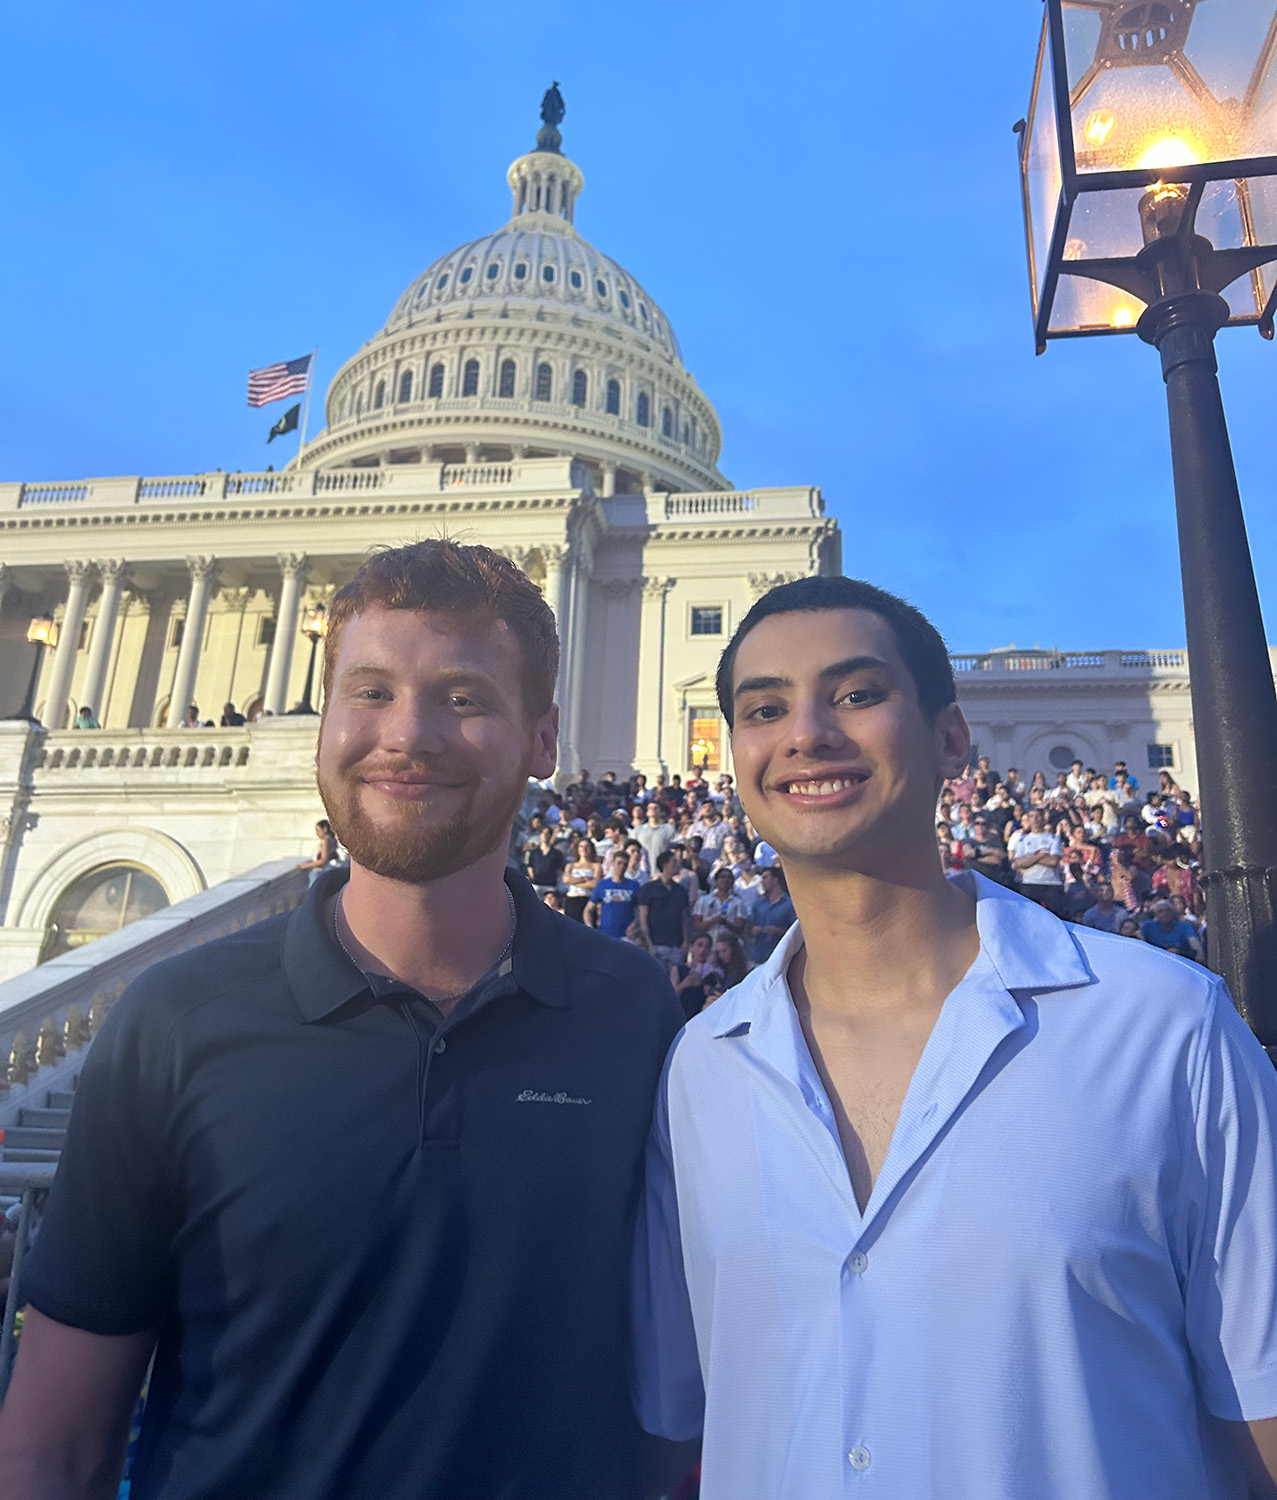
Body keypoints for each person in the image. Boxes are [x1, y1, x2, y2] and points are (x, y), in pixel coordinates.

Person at [1, 539, 684, 1500]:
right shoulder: (175, 1021)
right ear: (322, 720)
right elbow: (52, 1453)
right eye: (369, 691)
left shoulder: (634, 1016)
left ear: (544, 739)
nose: (407, 735)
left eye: (463, 697)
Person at [633, 574, 1277, 1500]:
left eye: (856, 694)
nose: (806, 732)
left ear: (949, 739)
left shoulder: (1167, 1028)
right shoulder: (701, 1068)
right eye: (763, 707)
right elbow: (676, 1419)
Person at [636, 849, 692, 972]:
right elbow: (643, 918)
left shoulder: (681, 891)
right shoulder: (649, 889)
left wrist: (686, 942)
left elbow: (684, 918)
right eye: (674, 861)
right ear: (666, 864)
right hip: (656, 944)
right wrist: (649, 943)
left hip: (676, 945)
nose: (678, 865)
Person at [1008, 806, 1064, 913]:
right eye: (1032, 816)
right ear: (1028, 819)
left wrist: (1029, 858)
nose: (1035, 819)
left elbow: (1053, 861)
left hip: (1051, 884)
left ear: (1044, 819)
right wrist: (1040, 855)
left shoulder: (1053, 838)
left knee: (1054, 918)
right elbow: (1018, 862)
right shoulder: (1022, 840)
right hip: (1029, 884)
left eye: (1038, 816)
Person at [745, 863, 796, 966]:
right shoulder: (758, 904)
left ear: (775, 879)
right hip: (757, 957)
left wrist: (777, 931)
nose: (762, 881)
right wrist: (753, 930)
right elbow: (748, 927)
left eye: (765, 878)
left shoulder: (790, 905)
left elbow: (796, 932)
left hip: (780, 959)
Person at [586, 849, 642, 939]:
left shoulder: (634, 885)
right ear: (613, 863)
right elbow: (588, 909)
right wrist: (590, 927)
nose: (622, 867)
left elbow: (641, 911)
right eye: (619, 863)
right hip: (605, 934)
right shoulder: (602, 885)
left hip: (627, 935)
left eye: (625, 864)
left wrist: (635, 926)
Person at [670, 933, 720, 1022]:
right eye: (699, 945)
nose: (702, 950)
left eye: (707, 947)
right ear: (692, 947)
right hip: (682, 1014)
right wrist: (684, 984)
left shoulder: (713, 974)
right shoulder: (678, 969)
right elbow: (671, 996)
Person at [563, 836, 603, 923]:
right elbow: (566, 879)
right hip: (572, 899)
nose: (584, 849)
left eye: (587, 846)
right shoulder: (571, 865)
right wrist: (585, 879)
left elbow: (595, 884)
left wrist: (574, 881)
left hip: (587, 900)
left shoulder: (596, 866)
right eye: (581, 846)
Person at [525, 820, 567, 896]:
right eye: (543, 833)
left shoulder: (557, 853)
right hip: (536, 884)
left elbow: (558, 869)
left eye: (547, 833)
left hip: (550, 885)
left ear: (551, 835)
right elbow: (530, 866)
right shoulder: (533, 852)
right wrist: (533, 878)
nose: (545, 835)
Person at [296, 818, 341, 882]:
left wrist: (305, 866)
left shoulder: (326, 840)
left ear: (325, 829)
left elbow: (323, 860)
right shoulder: (332, 840)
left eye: (318, 830)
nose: (316, 833)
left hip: (321, 872)